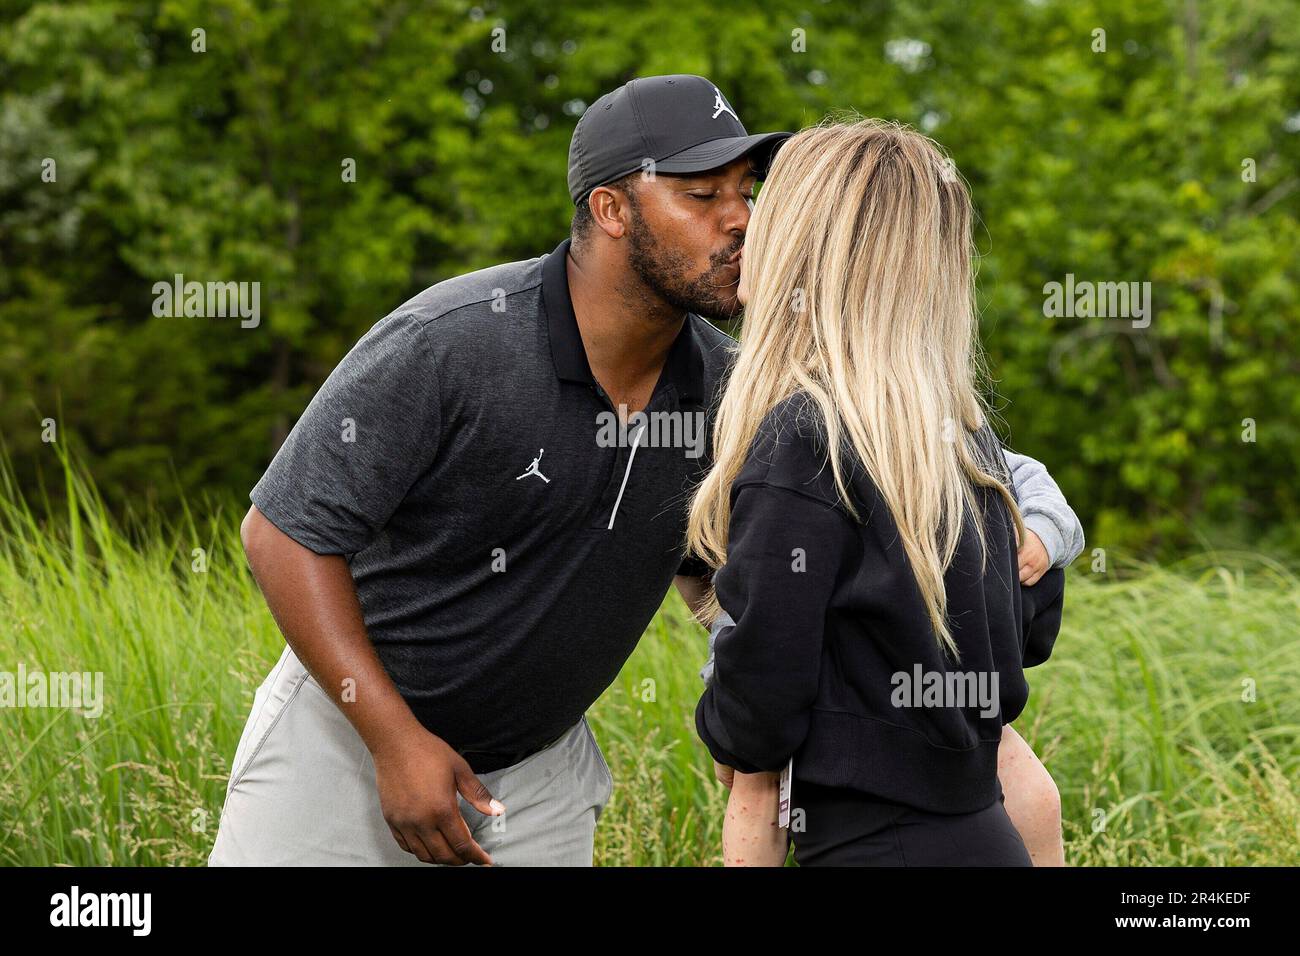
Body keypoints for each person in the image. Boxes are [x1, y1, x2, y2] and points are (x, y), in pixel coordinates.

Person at [208, 76, 1078, 867]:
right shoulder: (453, 342)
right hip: (345, 743)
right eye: (702, 196)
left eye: (747, 192)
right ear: (612, 210)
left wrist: (1033, 538)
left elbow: (944, 470)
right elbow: (281, 534)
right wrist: (394, 742)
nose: (740, 220)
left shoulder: (737, 391)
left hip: (535, 779)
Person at [690, 118, 1076, 867]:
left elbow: (758, 722)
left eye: (767, 213)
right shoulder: (960, 445)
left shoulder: (801, 441)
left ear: (802, 250)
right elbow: (1026, 635)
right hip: (981, 837)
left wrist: (728, 714)